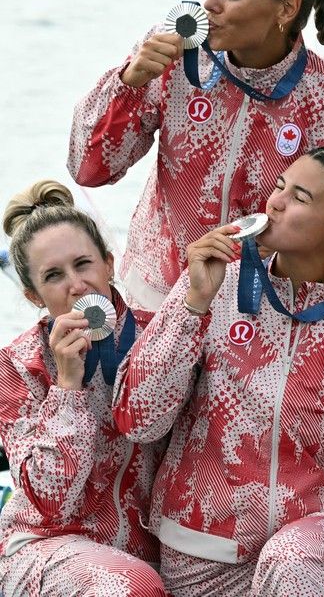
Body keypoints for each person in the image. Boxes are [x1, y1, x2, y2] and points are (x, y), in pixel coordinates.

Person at [113, 148, 324, 596]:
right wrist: (194, 304)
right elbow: (139, 420)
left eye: (300, 197)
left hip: (319, 546)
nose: (275, 201)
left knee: (295, 563)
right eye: (280, 186)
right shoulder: (215, 288)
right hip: (203, 546)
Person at [69, 0, 324, 311]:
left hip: (264, 312)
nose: (209, 3)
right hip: (157, 296)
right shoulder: (174, 58)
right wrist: (128, 86)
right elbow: (88, 170)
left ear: (286, 9)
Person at [0, 181, 167, 596]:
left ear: (109, 264)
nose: (76, 285)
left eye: (83, 264)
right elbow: (49, 500)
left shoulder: (161, 336)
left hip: (154, 547)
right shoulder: (16, 364)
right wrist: (67, 385)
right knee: (129, 584)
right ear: (33, 295)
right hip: (46, 543)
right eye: (54, 276)